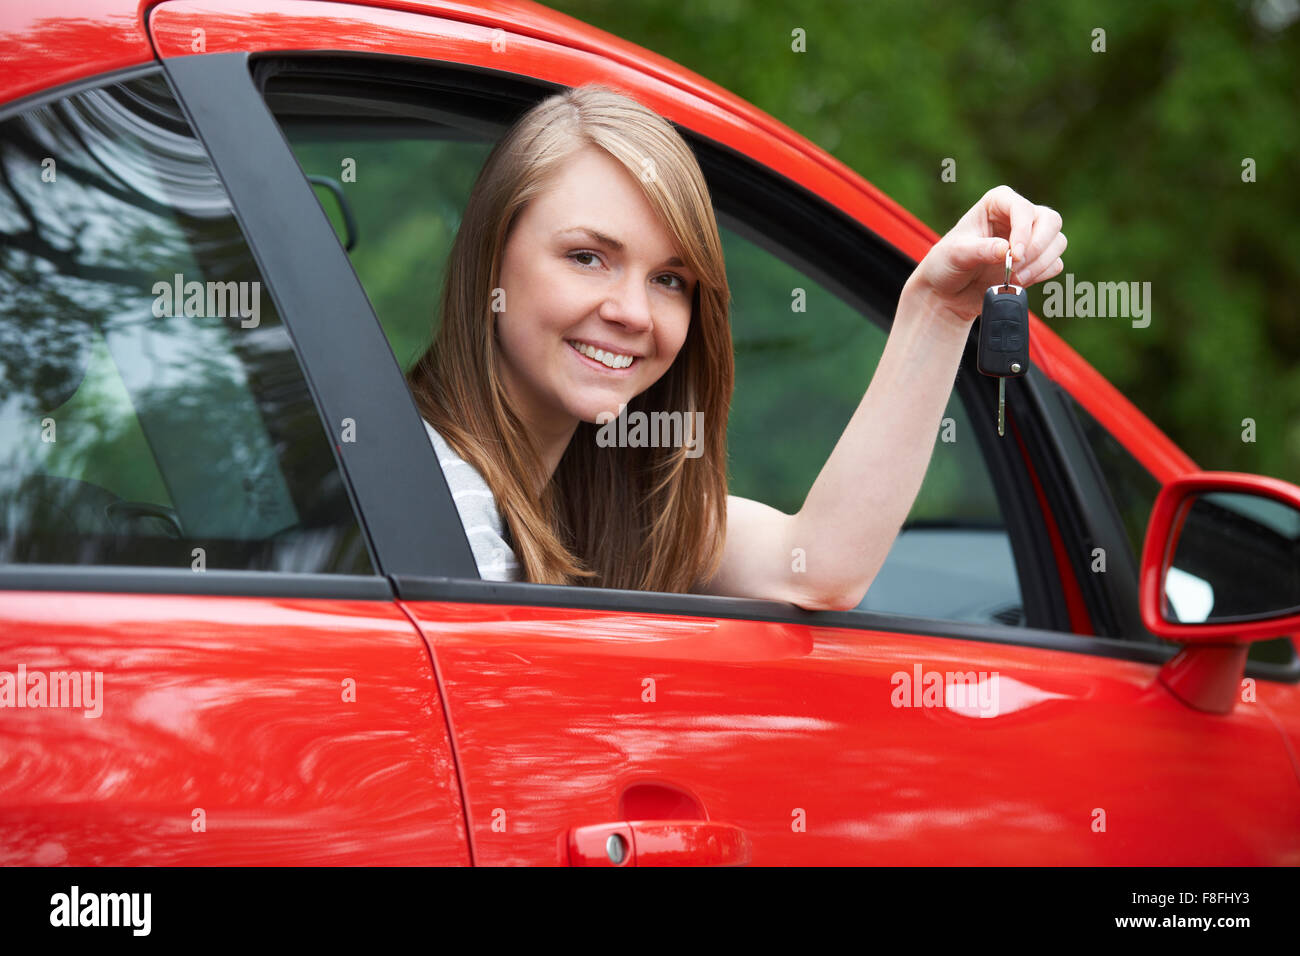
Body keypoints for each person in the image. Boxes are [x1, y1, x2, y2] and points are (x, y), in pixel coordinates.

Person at [406, 83, 1065, 610]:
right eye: (586, 257)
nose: (633, 312)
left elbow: (815, 571)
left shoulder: (603, 488)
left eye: (669, 279)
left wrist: (940, 309)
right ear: (490, 261)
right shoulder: (441, 506)